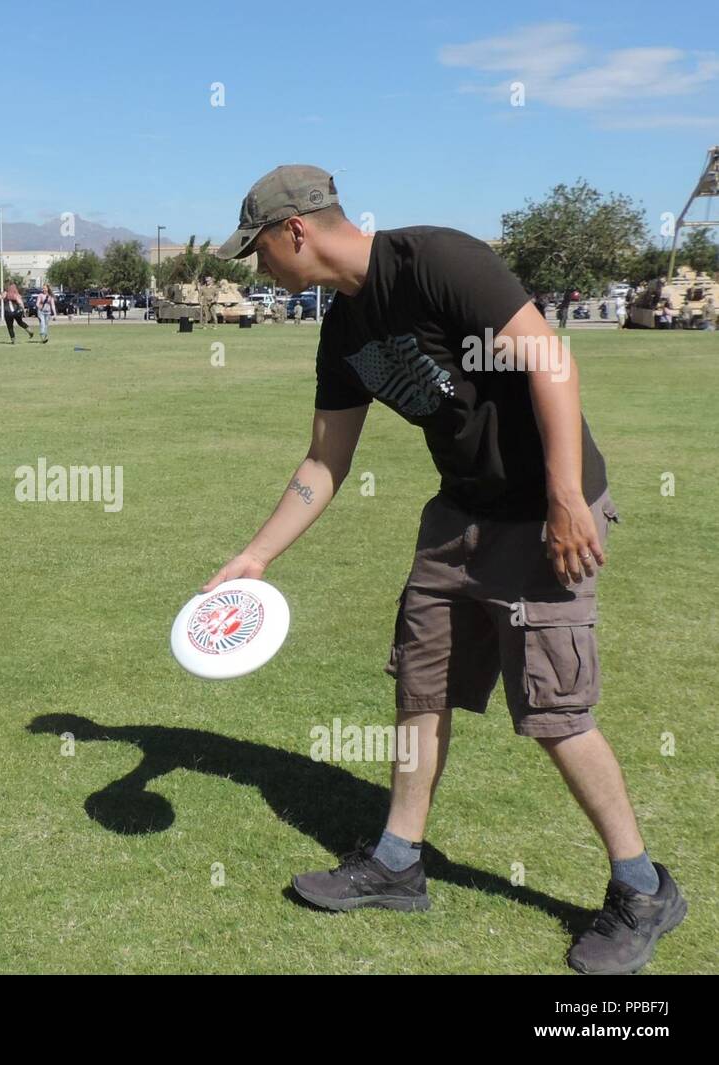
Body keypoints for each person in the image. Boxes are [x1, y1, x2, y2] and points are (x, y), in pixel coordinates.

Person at [209, 164, 685, 975]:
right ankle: (398, 861)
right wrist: (256, 554)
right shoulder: (343, 332)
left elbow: (552, 361)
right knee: (420, 682)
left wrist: (566, 495)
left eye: (258, 253)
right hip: (458, 512)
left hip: (544, 510)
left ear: (296, 232)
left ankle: (642, 887)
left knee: (555, 708)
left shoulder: (437, 260)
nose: (260, 272)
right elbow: (326, 460)